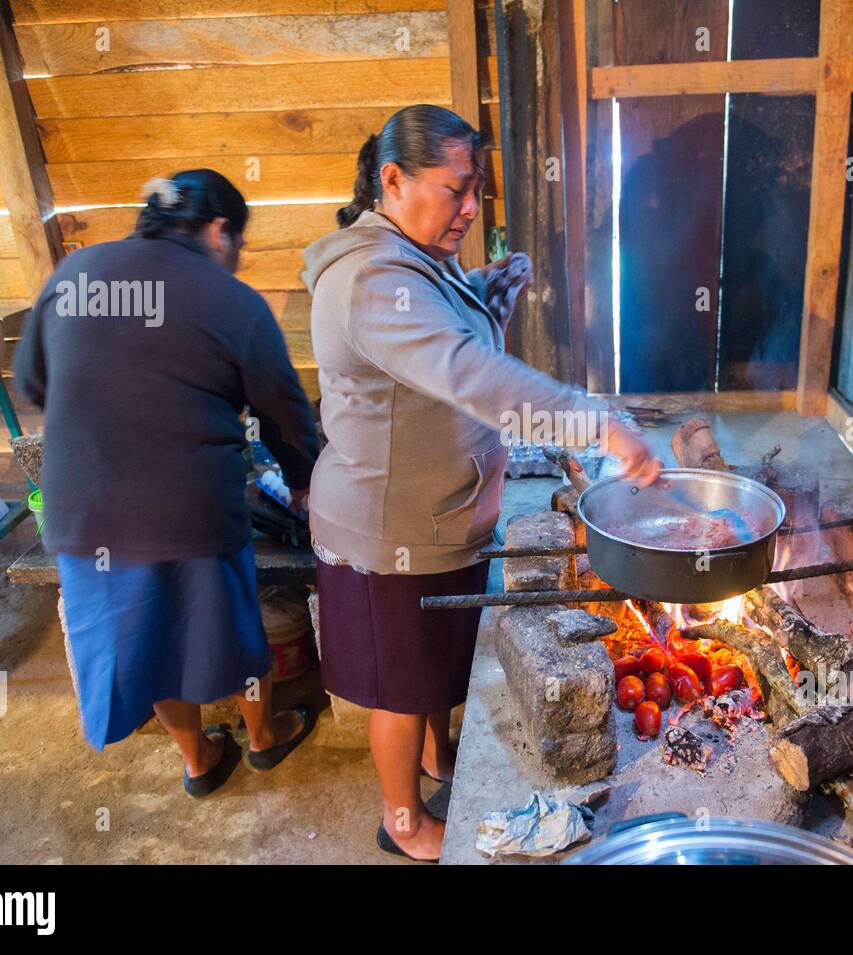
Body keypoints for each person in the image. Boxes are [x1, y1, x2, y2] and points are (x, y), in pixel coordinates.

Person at [302, 104, 660, 860]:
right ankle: (403, 822)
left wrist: (491, 291)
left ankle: (439, 763)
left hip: (439, 515)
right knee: (400, 688)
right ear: (392, 180)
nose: (471, 208)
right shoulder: (371, 277)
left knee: (430, 665)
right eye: (456, 189)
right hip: (387, 527)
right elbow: (469, 374)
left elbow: (450, 332)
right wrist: (596, 423)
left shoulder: (415, 254)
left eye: (476, 191)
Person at [14, 170, 322, 797]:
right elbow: (283, 413)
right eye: (237, 245)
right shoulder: (229, 299)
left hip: (84, 510)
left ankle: (198, 760)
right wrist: (303, 483)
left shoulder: (76, 274)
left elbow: (33, 384)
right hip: (190, 510)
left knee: (142, 643)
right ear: (218, 230)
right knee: (235, 634)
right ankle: (262, 739)